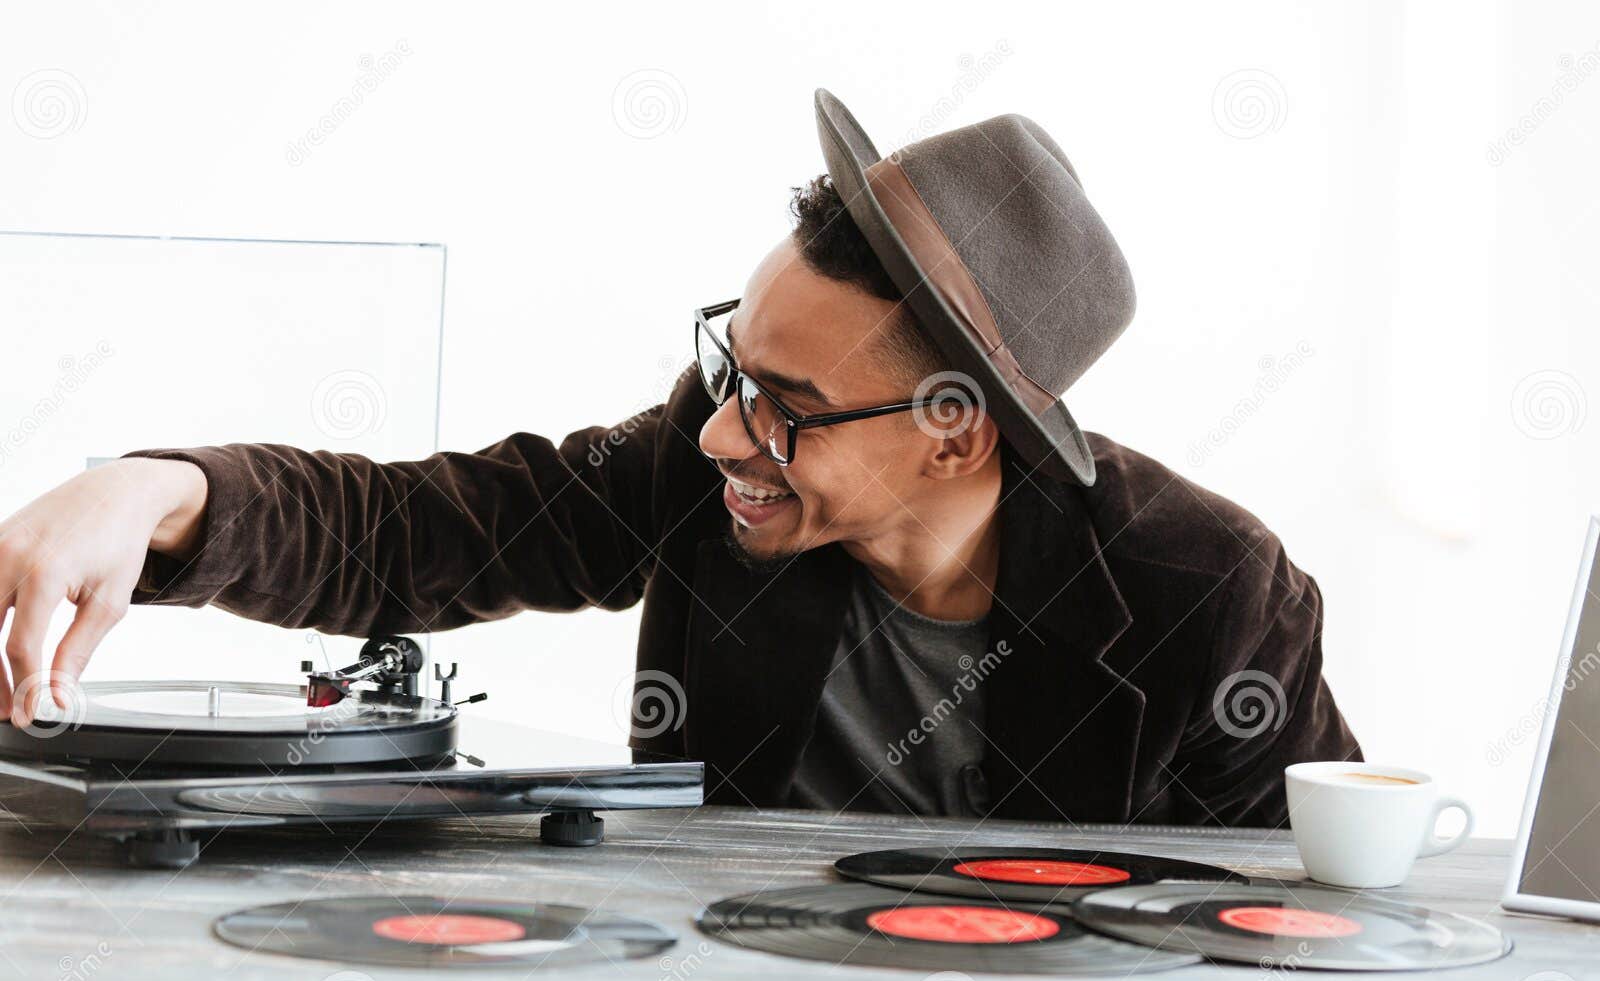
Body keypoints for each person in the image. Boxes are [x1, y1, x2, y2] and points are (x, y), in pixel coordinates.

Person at [0, 91, 1358, 824]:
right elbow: (419, 531)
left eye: (787, 404)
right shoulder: (710, 469)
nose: (721, 432)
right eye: (730, 366)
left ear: (958, 428)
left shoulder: (1213, 594)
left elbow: (1300, 923)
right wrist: (156, 491)